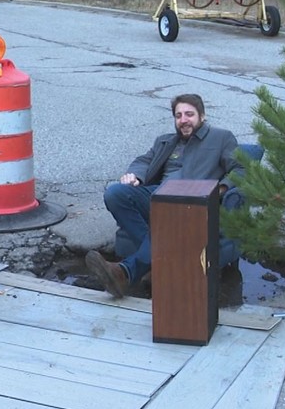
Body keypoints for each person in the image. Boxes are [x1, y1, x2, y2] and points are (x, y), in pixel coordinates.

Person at [86, 93, 242, 298]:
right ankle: (158, 263)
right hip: (158, 196)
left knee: (169, 209)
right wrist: (136, 176)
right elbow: (143, 160)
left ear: (202, 116)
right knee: (115, 193)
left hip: (193, 203)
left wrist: (220, 189)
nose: (183, 120)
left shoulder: (221, 138)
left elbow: (241, 169)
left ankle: (126, 272)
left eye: (189, 114)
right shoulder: (165, 141)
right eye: (178, 115)